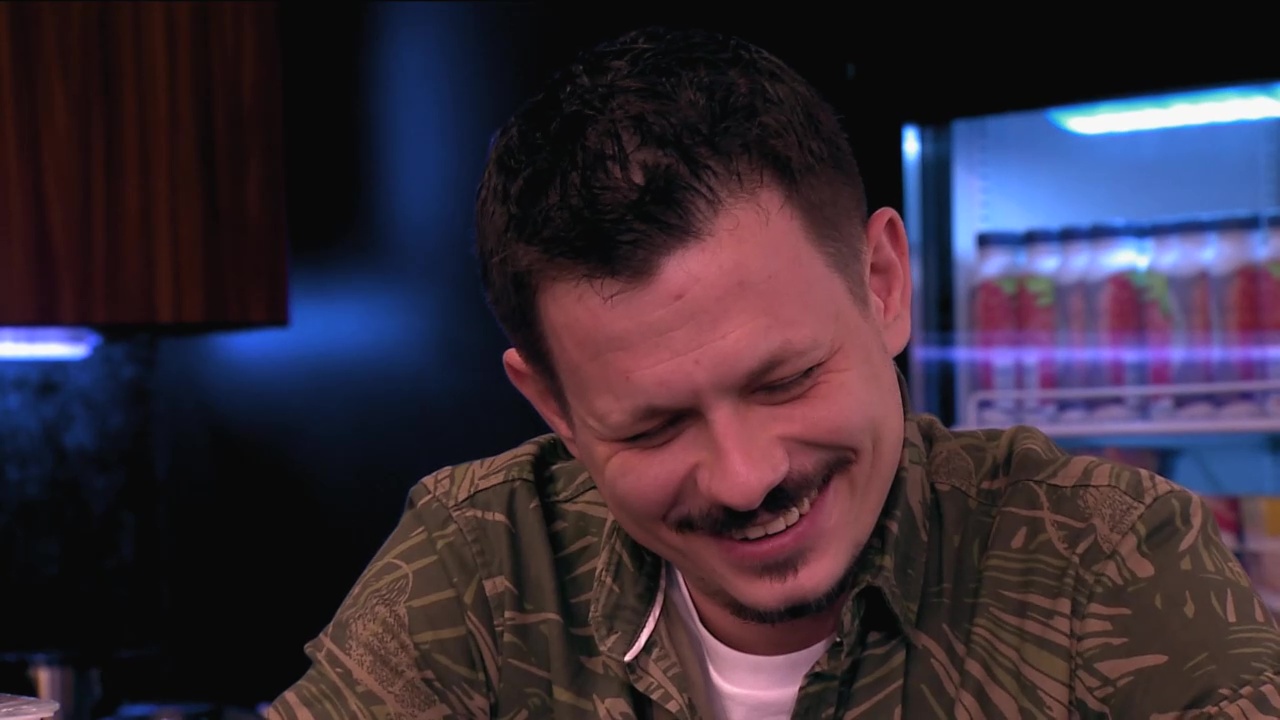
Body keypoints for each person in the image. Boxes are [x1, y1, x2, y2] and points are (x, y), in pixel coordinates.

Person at [267, 26, 1280, 719]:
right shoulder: (479, 560)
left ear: (882, 284)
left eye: (786, 379)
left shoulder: (1103, 558)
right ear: (553, 408)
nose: (745, 476)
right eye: (653, 426)